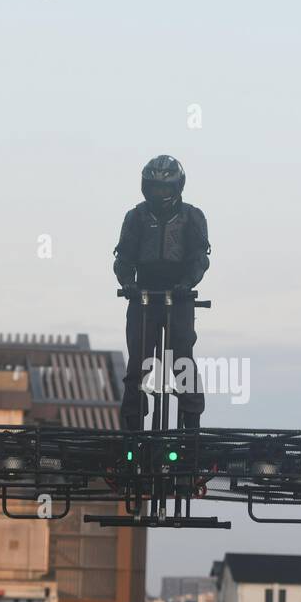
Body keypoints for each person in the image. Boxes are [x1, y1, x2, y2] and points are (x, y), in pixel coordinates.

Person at [113, 154, 211, 430]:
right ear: (146, 187)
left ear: (177, 187)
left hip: (179, 298)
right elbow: (124, 256)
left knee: (183, 362)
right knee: (138, 367)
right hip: (142, 297)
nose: (160, 193)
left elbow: (199, 256)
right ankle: (132, 433)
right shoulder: (135, 217)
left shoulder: (193, 216)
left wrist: (187, 283)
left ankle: (190, 429)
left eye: (166, 188)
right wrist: (127, 282)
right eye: (155, 187)